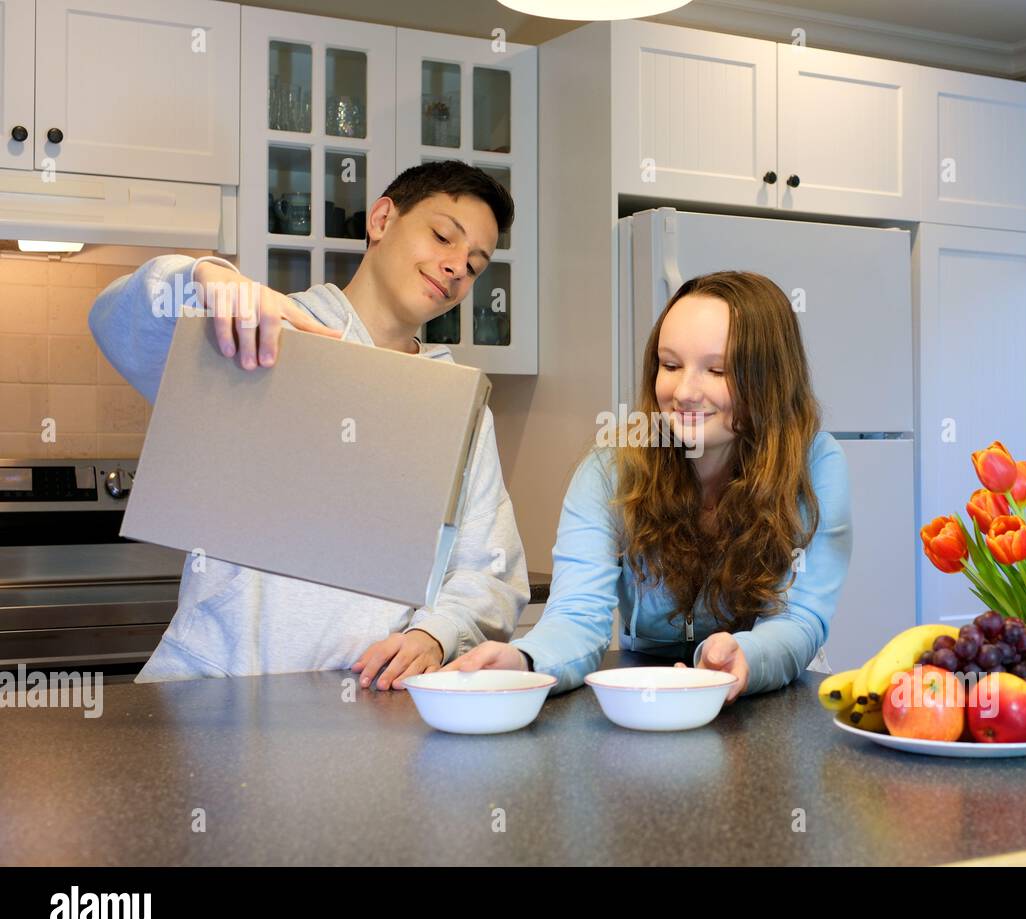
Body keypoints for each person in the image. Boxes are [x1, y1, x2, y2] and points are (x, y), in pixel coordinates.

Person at [88, 161, 528, 688]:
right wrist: (202, 277)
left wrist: (436, 634)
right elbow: (113, 323)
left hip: (363, 700)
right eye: (442, 236)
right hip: (211, 690)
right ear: (383, 219)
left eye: (475, 265)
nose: (457, 267)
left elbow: (490, 568)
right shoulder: (258, 330)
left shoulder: (460, 405)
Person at [445, 271, 851, 702]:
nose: (685, 392)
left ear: (770, 379)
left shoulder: (815, 466)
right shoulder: (611, 470)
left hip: (769, 695)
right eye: (670, 365)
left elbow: (799, 618)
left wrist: (744, 655)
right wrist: (526, 661)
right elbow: (578, 615)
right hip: (650, 693)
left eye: (717, 370)